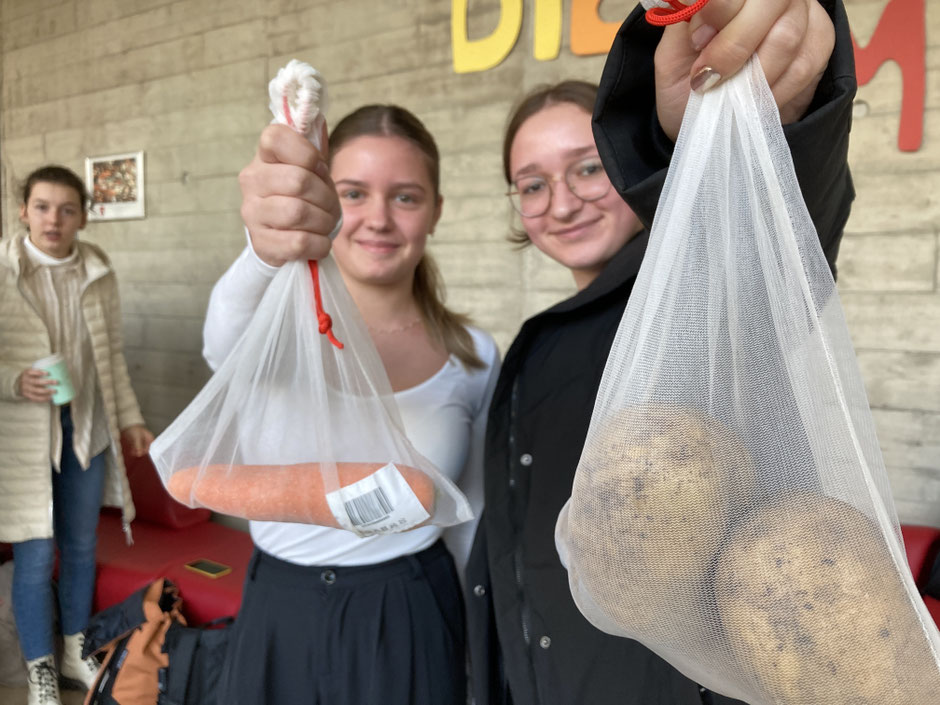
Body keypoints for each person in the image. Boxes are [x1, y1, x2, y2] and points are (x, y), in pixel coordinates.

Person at [463, 0, 857, 704]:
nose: (561, 202)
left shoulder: (700, 299)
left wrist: (766, 123)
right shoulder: (538, 337)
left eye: (586, 168)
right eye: (532, 183)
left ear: (624, 162)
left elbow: (775, 232)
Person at [203, 105, 500, 705]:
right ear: (322, 203)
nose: (378, 219)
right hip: (280, 607)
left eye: (406, 197)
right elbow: (219, 344)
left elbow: (468, 512)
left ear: (436, 210)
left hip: (411, 604)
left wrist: (478, 640)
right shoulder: (271, 329)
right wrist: (264, 247)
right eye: (353, 193)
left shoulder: (472, 353)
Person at [0, 165, 154, 705]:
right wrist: (13, 381)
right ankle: (40, 668)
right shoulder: (3, 268)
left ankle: (73, 652)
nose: (54, 219)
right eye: (42, 207)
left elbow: (110, 357)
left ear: (83, 217)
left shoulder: (98, 270)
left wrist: (131, 418)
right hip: (21, 437)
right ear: (24, 211)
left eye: (67, 209)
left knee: (82, 548)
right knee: (36, 557)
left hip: (85, 427)